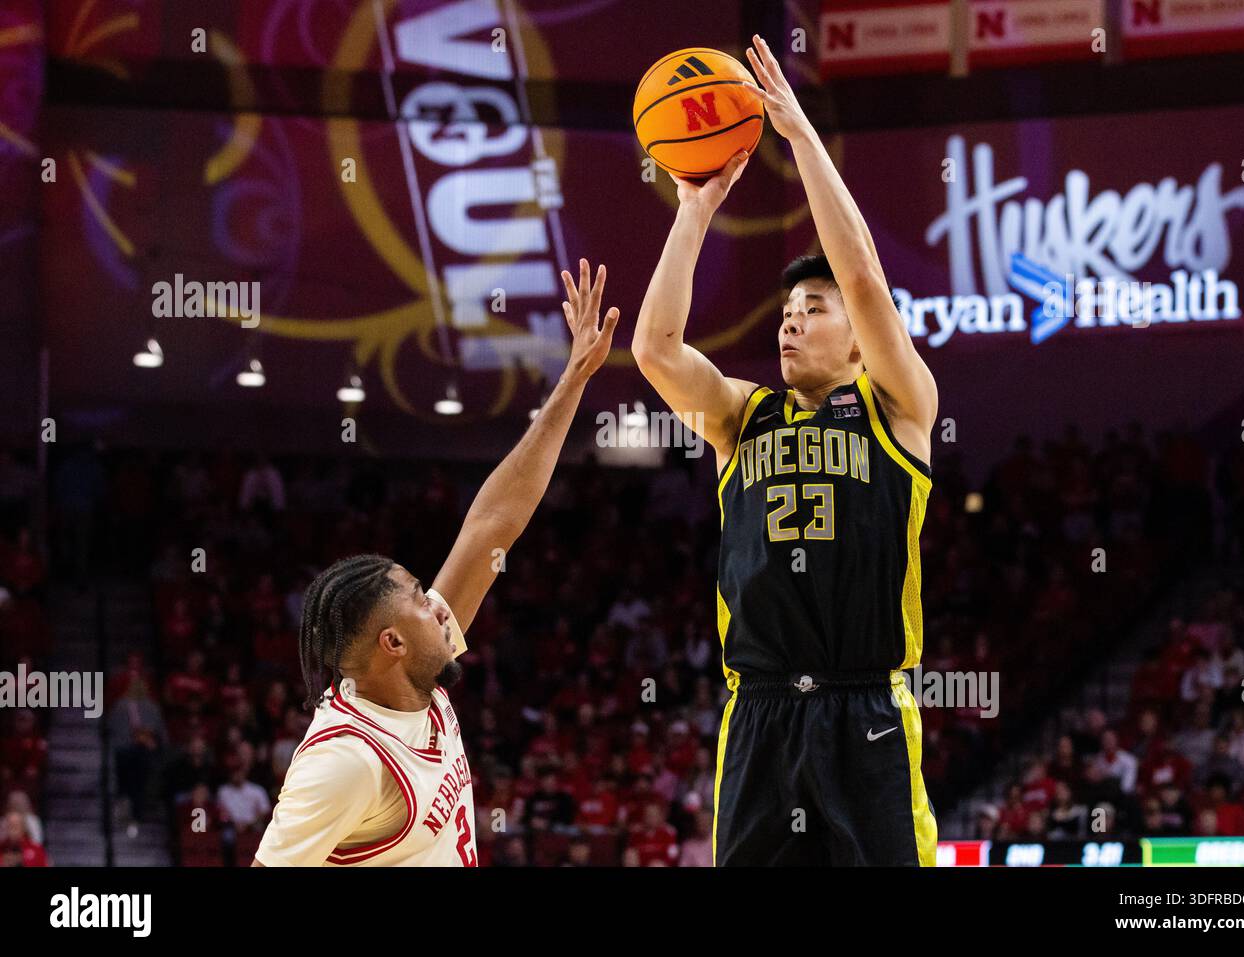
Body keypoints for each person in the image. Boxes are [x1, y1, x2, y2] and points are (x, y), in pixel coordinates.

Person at [632, 35, 938, 865]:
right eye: (786, 311)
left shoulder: (898, 410)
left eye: (813, 307)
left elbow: (867, 279)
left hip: (864, 707)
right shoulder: (742, 416)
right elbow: (656, 350)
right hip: (760, 710)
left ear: (858, 338)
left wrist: (800, 138)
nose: (792, 320)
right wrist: (694, 207)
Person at [254, 261, 618, 866]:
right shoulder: (346, 761)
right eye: (422, 600)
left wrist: (573, 380)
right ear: (391, 643)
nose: (438, 606)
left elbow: (491, 525)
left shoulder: (416, 675)